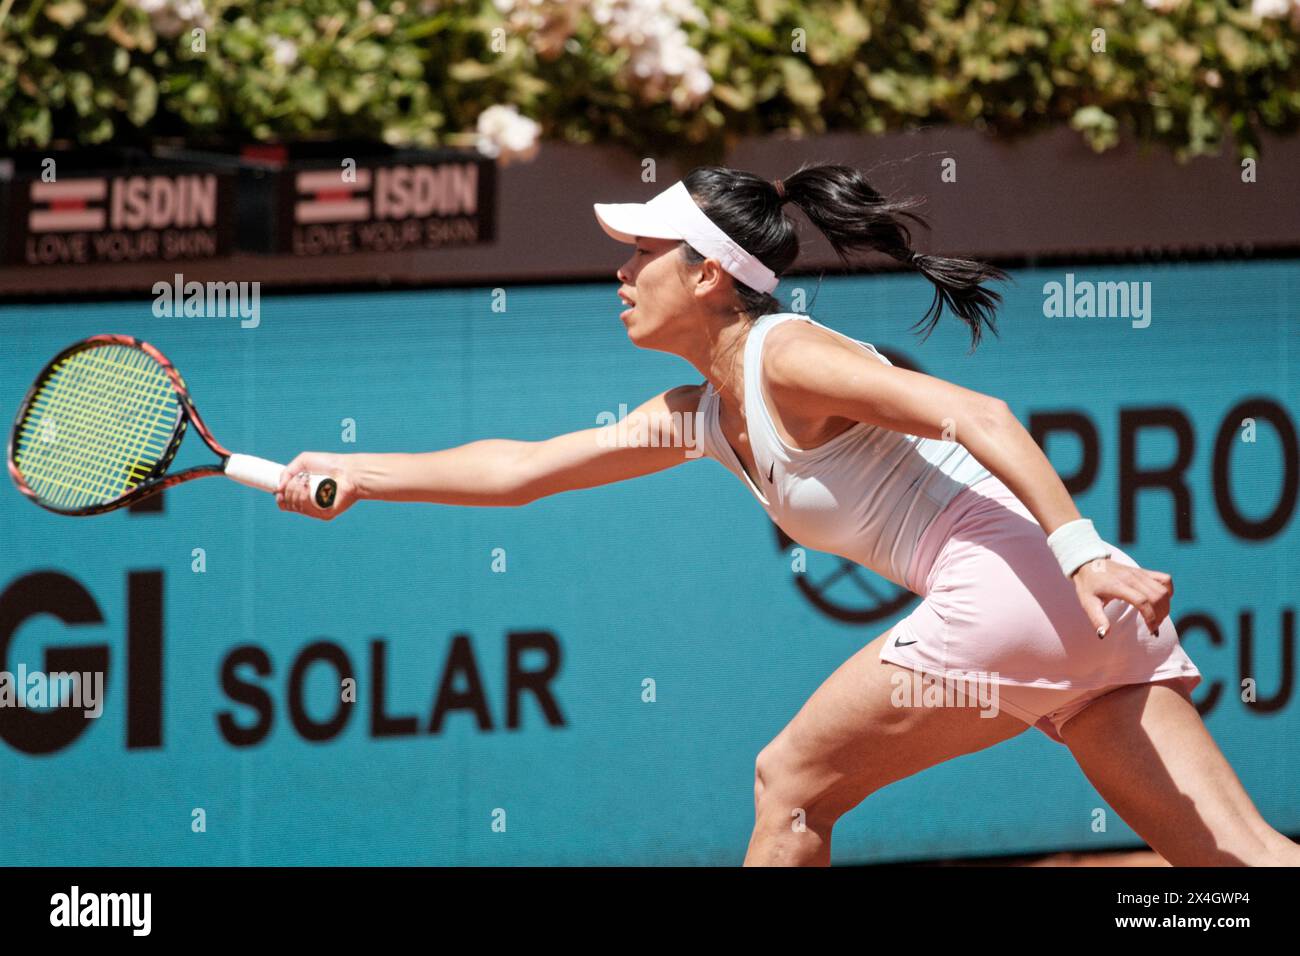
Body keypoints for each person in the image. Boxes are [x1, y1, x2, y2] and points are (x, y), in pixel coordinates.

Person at [276, 163, 1299, 867]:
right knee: (1241, 860)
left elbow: (979, 412)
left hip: (1023, 589)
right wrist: (358, 471)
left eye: (642, 253)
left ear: (707, 273)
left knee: (789, 784)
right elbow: (525, 469)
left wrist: (1079, 551)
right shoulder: (702, 411)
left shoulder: (787, 353)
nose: (620, 273)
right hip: (1078, 616)